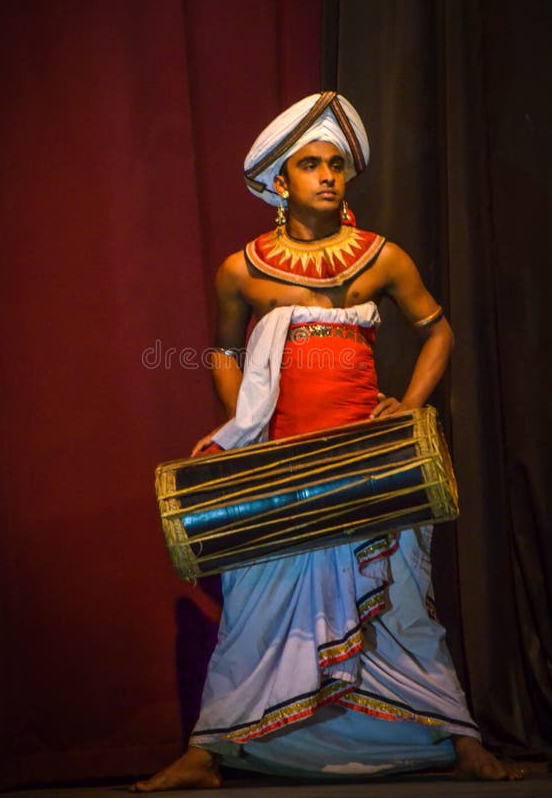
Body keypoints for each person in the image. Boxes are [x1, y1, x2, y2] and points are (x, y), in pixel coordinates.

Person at [131, 92, 524, 790]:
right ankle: (207, 752)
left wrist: (407, 406)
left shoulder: (382, 259)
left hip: (369, 464)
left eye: (335, 164)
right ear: (281, 181)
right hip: (282, 467)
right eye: (309, 165)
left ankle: (459, 739)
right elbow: (222, 351)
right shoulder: (242, 269)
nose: (326, 176)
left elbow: (440, 332)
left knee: (403, 606)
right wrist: (244, 426)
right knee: (254, 614)